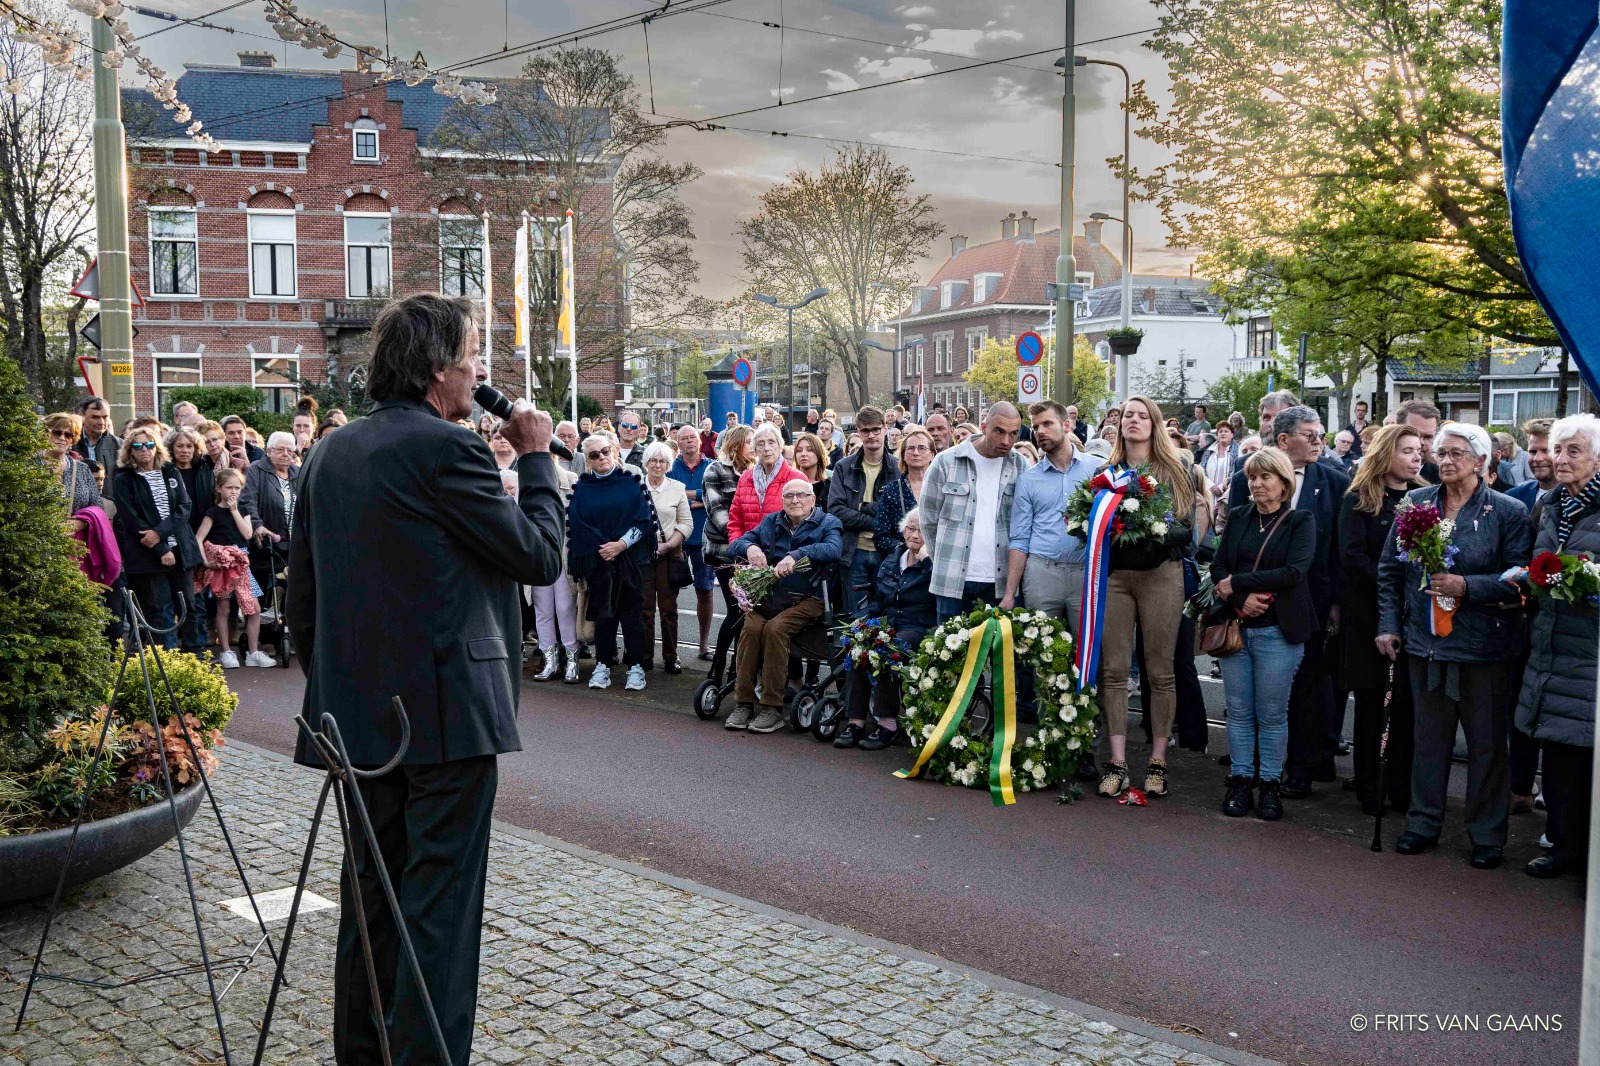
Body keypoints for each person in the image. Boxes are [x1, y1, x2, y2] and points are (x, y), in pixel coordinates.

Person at [285, 294, 564, 1066]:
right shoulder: (451, 450)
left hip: (356, 720)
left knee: (369, 902)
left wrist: (340, 688)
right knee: (436, 912)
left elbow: (300, 601)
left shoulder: (329, 453)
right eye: (475, 353)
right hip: (446, 725)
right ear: (439, 368)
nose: (482, 370)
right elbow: (538, 557)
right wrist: (536, 457)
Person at [1377, 422, 1531, 870]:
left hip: (1484, 650)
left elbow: (1522, 583)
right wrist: (1388, 625)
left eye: (1457, 454)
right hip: (1425, 645)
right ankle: (1423, 822)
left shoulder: (1507, 512)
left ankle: (1486, 834)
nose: (1444, 461)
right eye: (1440, 452)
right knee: (1428, 740)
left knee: (1486, 746)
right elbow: (1390, 570)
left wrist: (1469, 586)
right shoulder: (1416, 502)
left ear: (1483, 461)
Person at [1227, 405, 1348, 797]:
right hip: (1248, 611)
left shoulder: (1333, 481)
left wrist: (1335, 603)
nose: (1319, 441)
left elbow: (1335, 550)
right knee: (1249, 700)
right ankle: (1250, 771)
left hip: (1307, 603)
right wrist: (1240, 595)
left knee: (1304, 693)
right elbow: (1229, 551)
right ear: (1283, 439)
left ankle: (1297, 769)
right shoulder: (1243, 480)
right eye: (1310, 434)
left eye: (1321, 434)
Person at [1093, 396, 1205, 799]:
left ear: (1155, 423)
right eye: (1127, 416)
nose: (1133, 421)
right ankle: (1117, 762)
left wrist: (1153, 526)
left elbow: (1186, 532)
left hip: (1162, 576)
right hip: (1116, 579)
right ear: (1119, 425)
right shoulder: (1107, 471)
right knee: (1114, 672)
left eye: (1142, 415)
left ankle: (1158, 761)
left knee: (1161, 672)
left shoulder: (1176, 469)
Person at [1514, 413, 1600, 878]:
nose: (1559, 459)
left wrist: (1587, 582)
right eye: (1557, 449)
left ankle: (1592, 860)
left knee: (1590, 759)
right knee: (1561, 755)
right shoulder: (1549, 505)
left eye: (1574, 451)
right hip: (1549, 647)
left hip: (1590, 652)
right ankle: (1564, 847)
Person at [1212, 447, 1317, 820]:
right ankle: (1241, 779)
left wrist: (1236, 583)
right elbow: (1218, 563)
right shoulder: (1239, 517)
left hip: (1279, 631)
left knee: (1272, 714)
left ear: (1284, 481)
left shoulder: (1301, 520)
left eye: (1265, 477)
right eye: (1252, 477)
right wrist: (1241, 600)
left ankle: (1270, 783)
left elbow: (1294, 571)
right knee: (1239, 712)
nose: (1256, 484)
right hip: (1238, 628)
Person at [1339, 424, 1425, 815]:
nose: (1416, 457)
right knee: (1373, 702)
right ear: (1387, 453)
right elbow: (1352, 557)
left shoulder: (1425, 498)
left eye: (1419, 450)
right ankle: (1369, 785)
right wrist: (1393, 580)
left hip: (1416, 618)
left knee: (1407, 705)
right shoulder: (1359, 499)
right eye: (1407, 450)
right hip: (1369, 616)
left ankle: (1402, 786)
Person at [726, 478, 843, 733]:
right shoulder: (772, 520)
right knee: (751, 627)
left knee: (775, 629)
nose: (795, 500)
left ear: (813, 500)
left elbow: (833, 549)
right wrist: (750, 547)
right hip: (772, 597)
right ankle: (743, 702)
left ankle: (771, 707)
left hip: (809, 598)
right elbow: (734, 544)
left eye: (801, 495)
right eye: (789, 496)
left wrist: (798, 554)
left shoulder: (828, 522)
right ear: (782, 501)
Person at [834, 508, 935, 751]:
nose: (915, 534)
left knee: (889, 651)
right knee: (859, 646)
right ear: (903, 531)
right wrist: (861, 619)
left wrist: (925, 559)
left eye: (922, 530)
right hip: (889, 621)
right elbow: (879, 598)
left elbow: (940, 594)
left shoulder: (935, 563)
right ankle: (856, 721)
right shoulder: (893, 558)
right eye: (911, 528)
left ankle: (887, 723)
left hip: (918, 624)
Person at [920, 402, 1027, 621]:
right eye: (999, 431)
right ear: (983, 426)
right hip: (953, 580)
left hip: (1001, 582)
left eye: (1013, 434)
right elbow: (928, 519)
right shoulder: (946, 462)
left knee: (1000, 654)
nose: (1006, 441)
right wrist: (943, 559)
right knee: (949, 651)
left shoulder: (1021, 466)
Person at [568, 431, 654, 691]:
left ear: (614, 451)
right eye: (595, 454)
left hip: (630, 560)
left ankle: (636, 668)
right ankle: (602, 665)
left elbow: (643, 519)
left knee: (632, 617)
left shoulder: (632, 482)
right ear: (588, 460)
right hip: (599, 561)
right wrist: (602, 546)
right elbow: (577, 523)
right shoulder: (581, 488)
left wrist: (621, 544)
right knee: (603, 616)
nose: (602, 457)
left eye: (605, 451)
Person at [1001, 401, 1096, 631]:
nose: (1040, 431)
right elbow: (1020, 537)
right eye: (1035, 427)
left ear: (1066, 425)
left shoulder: (1097, 470)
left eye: (1047, 424)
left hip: (1086, 574)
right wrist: (1009, 594)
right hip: (1041, 573)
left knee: (1088, 653)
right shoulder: (1028, 479)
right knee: (1040, 654)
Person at [113, 425, 203, 649]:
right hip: (147, 555)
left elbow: (184, 507)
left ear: (157, 447)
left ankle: (195, 656)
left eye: (150, 444)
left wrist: (159, 534)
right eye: (138, 445)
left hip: (181, 549)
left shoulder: (170, 471)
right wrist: (161, 548)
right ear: (130, 450)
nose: (145, 449)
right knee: (158, 609)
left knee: (188, 606)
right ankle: (166, 659)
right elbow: (131, 518)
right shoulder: (123, 479)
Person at [195, 467, 271, 668]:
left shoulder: (243, 509)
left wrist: (235, 510)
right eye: (229, 488)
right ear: (219, 489)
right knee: (224, 608)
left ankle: (253, 652)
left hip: (243, 566)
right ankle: (227, 651)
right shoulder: (212, 512)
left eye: (237, 488)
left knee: (253, 608)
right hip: (223, 567)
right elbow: (199, 538)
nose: (233, 492)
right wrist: (206, 562)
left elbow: (247, 534)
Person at [828, 406, 898, 615]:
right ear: (858, 431)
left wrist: (860, 508)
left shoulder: (897, 467)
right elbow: (836, 511)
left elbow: (898, 513)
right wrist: (876, 520)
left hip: (887, 552)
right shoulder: (843, 467)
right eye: (865, 431)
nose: (871, 435)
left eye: (876, 429)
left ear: (885, 429)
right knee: (855, 617)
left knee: (887, 615)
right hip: (853, 551)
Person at [530, 451, 582, 685]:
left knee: (564, 607)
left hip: (564, 552)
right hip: (538, 553)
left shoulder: (571, 480)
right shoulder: (527, 481)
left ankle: (572, 659)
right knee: (542, 610)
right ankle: (550, 659)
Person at [641, 441, 693, 675]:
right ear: (646, 462)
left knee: (669, 609)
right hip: (641, 556)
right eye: (653, 460)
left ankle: (671, 657)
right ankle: (644, 656)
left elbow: (687, 523)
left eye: (663, 461)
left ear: (669, 464)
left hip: (669, 555)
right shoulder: (636, 487)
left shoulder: (677, 488)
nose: (658, 465)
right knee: (644, 609)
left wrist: (669, 544)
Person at [668, 425, 717, 662]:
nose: (689, 441)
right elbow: (667, 498)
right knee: (670, 593)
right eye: (683, 438)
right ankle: (672, 649)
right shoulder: (670, 466)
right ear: (678, 442)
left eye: (692, 437)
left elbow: (714, 496)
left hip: (704, 538)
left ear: (699, 441)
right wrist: (700, 498)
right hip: (676, 538)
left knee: (705, 591)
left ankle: (704, 645)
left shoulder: (712, 467)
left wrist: (682, 496)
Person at [240, 431, 299, 603]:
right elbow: (247, 499)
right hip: (267, 545)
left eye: (290, 451)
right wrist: (257, 524)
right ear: (269, 450)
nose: (285, 454)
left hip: (293, 545)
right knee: (265, 596)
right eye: (281, 449)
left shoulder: (298, 472)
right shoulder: (257, 469)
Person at [728, 423, 800, 546]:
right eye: (760, 444)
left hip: (783, 557)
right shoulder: (745, 478)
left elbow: (802, 524)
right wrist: (741, 547)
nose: (766, 448)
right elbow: (735, 521)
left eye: (771, 442)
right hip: (748, 556)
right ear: (755, 450)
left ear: (780, 446)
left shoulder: (796, 478)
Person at [872, 425, 933, 559]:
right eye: (910, 448)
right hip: (901, 564)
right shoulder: (891, 491)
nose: (916, 453)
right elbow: (880, 535)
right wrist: (909, 550)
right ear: (903, 455)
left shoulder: (941, 489)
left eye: (922, 448)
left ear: (932, 454)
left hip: (935, 562)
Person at [43, 413, 104, 519]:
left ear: (73, 440)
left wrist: (82, 522)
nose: (62, 438)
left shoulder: (82, 469)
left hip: (75, 533)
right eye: (56, 433)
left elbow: (98, 507)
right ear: (44, 434)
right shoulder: (29, 465)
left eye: (68, 435)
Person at [73, 397, 121, 497]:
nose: (101, 422)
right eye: (95, 417)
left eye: (105, 417)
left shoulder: (119, 445)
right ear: (82, 416)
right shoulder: (70, 443)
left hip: (110, 505)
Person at [1509, 418, 1556, 511]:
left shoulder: (1579, 500)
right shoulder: (1512, 498)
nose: (1537, 458)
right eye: (1533, 452)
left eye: (1546, 451)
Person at [1395, 399, 1441, 483]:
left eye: (1428, 437)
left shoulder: (1442, 480)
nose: (1421, 443)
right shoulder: (1373, 477)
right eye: (1415, 435)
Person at [792, 431, 833, 511]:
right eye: (799, 450)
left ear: (819, 454)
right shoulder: (789, 484)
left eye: (809, 450)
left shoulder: (830, 486)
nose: (803, 454)